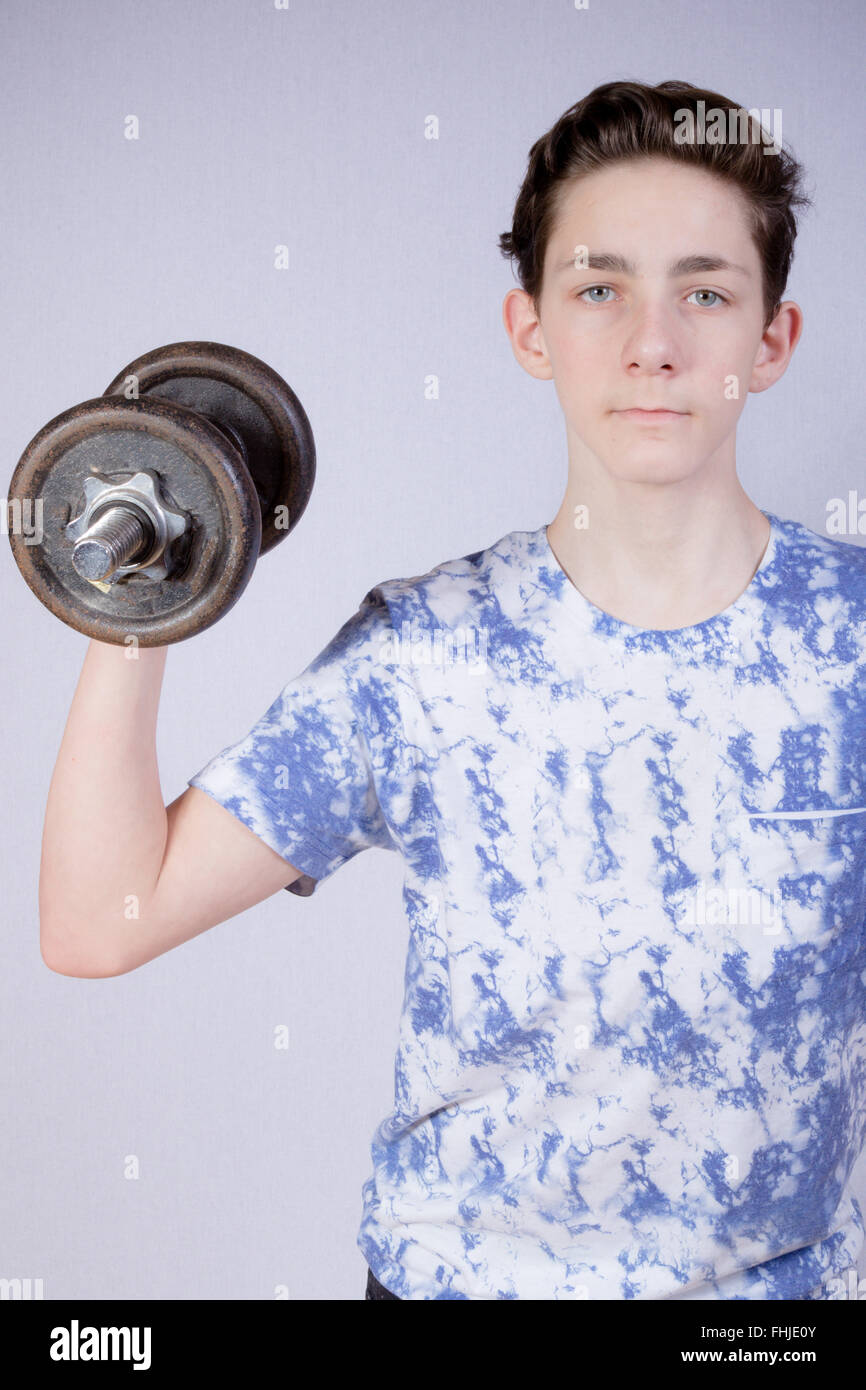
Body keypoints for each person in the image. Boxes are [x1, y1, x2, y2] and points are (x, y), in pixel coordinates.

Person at [39, 79, 866, 1301]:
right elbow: (99, 920)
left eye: (703, 290)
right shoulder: (420, 656)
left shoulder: (849, 643)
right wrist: (139, 591)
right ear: (530, 330)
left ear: (771, 339)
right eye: (599, 289)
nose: (653, 342)